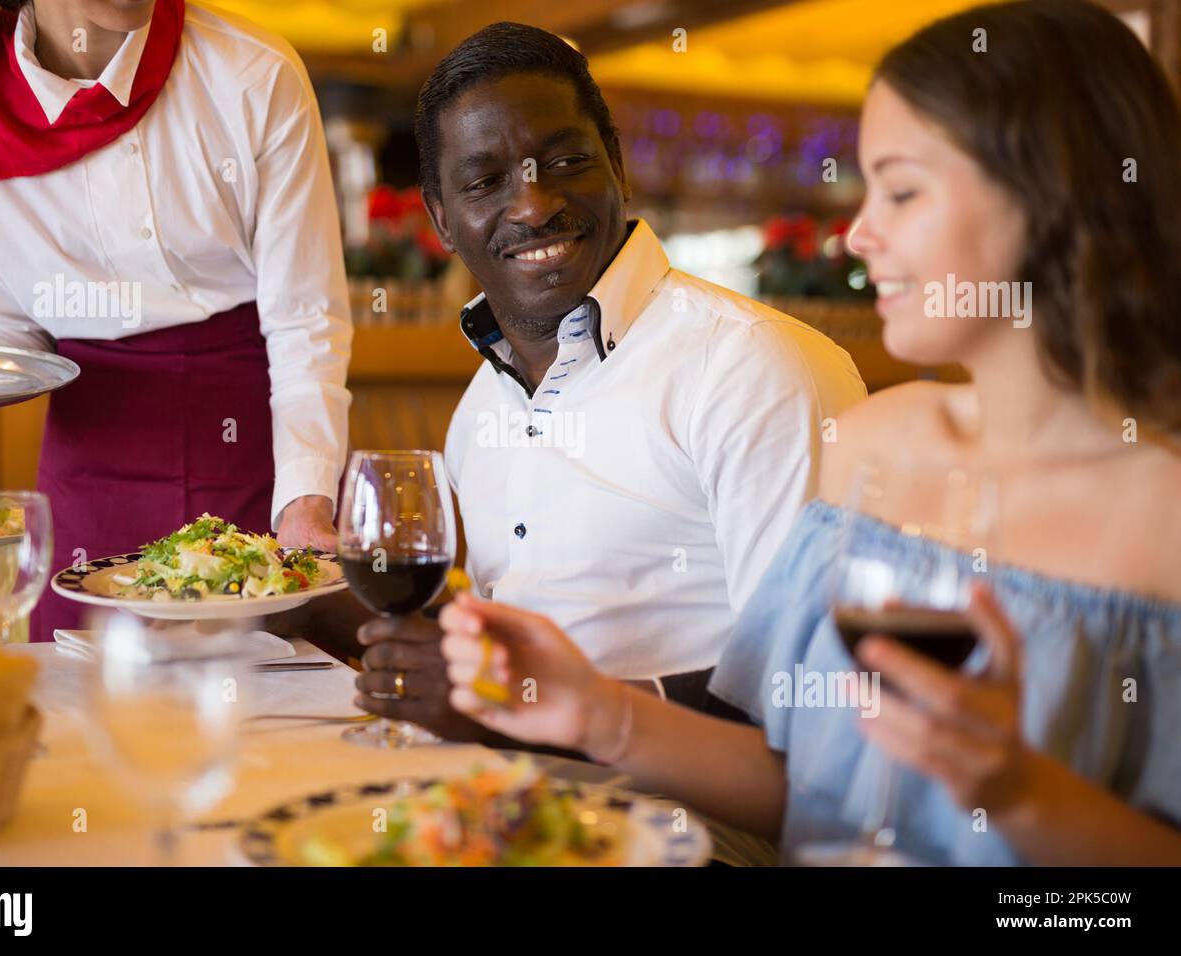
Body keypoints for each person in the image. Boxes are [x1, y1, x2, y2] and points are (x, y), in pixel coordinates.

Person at [436, 0, 1181, 865]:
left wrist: (1014, 791)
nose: (861, 233)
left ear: (1053, 192)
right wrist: (594, 709)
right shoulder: (876, 447)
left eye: (902, 189)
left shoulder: (1161, 512)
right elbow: (807, 790)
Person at [349, 22, 866, 733]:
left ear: (616, 165)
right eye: (485, 182)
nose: (532, 206)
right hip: (520, 801)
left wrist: (517, 709)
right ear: (441, 217)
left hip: (708, 830)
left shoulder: (756, 368)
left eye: (563, 164)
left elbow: (815, 699)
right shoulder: (481, 410)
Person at [0, 0, 351, 641]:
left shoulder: (253, 73)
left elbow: (304, 321)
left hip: (256, 456)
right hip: (90, 470)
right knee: (82, 720)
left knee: (251, 713)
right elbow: (9, 328)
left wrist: (306, 499)